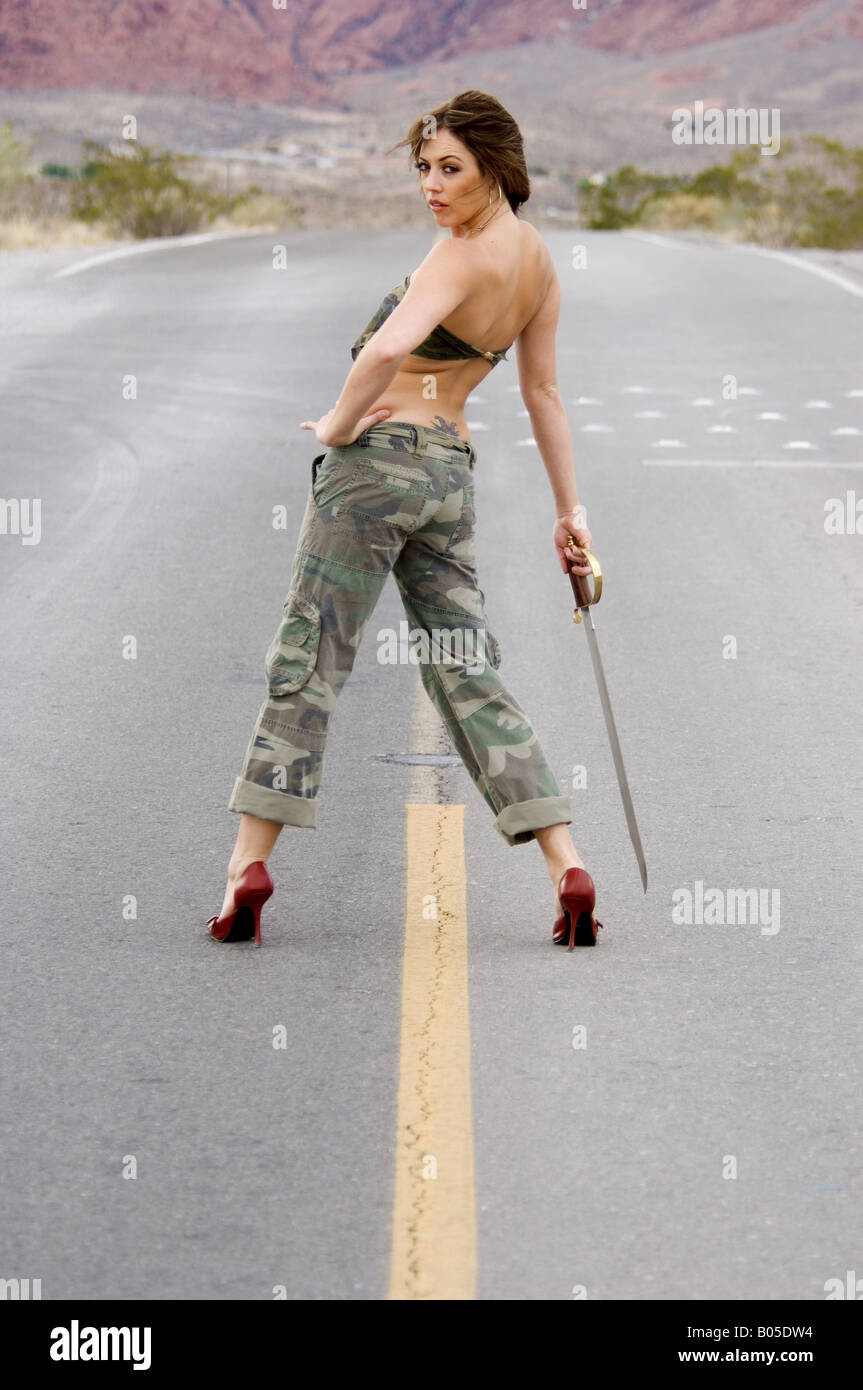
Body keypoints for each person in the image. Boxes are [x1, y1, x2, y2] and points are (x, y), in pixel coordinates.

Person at [206, 90, 603, 951]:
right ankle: (564, 864)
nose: (431, 185)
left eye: (450, 168)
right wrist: (569, 512)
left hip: (378, 467)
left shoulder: (458, 255)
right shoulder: (535, 264)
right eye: (423, 167)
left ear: (496, 166)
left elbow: (389, 348)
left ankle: (247, 869)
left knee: (310, 655)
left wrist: (342, 427)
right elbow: (541, 393)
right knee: (468, 669)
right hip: (449, 478)